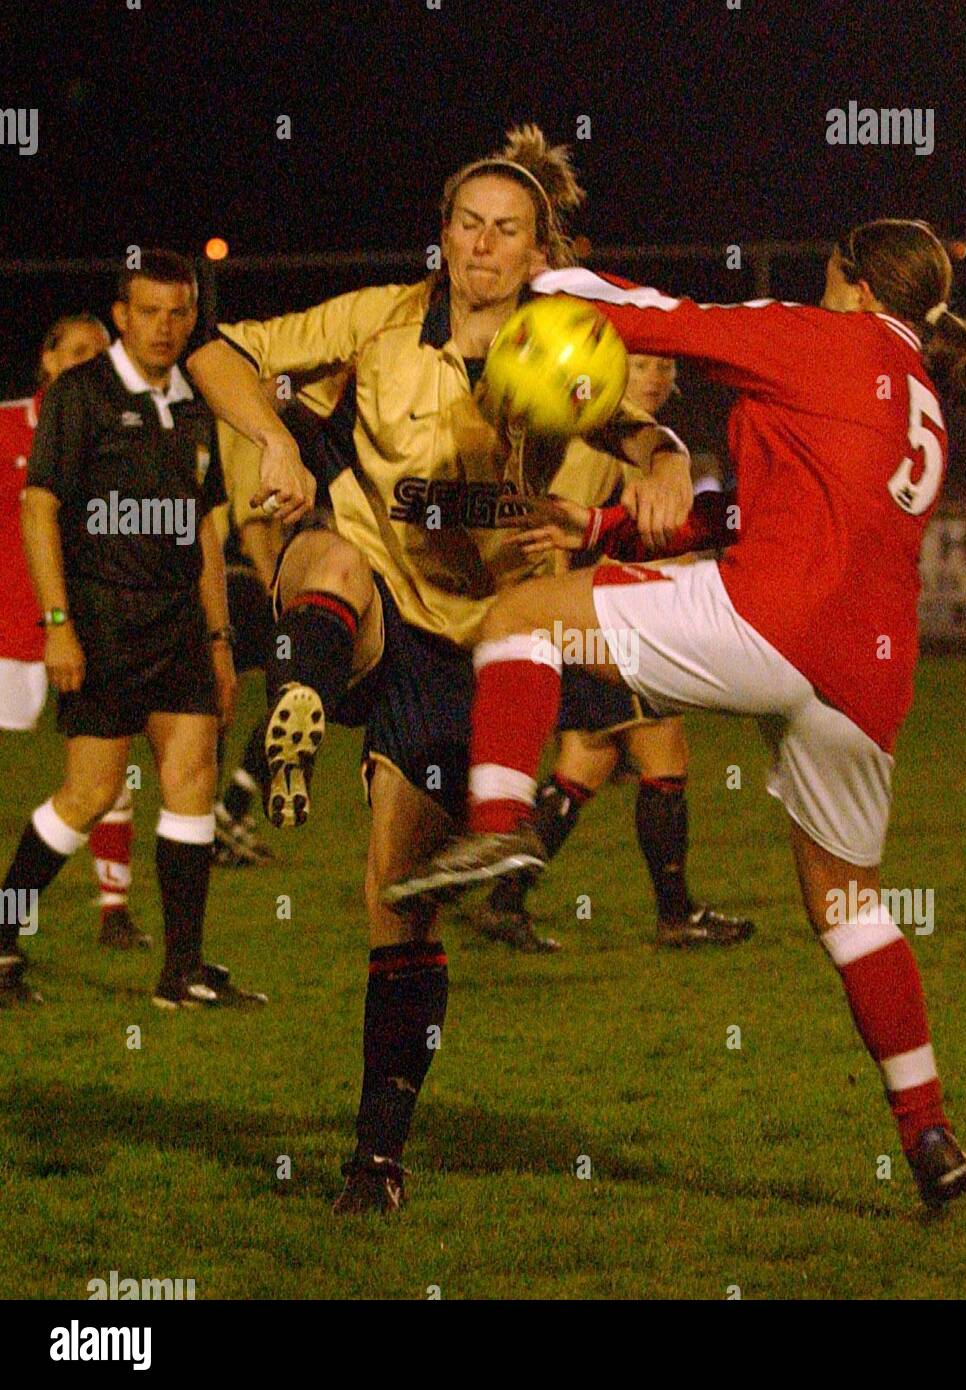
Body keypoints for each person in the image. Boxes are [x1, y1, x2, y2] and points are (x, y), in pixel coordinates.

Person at [385, 219, 966, 1209]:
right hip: (867, 679)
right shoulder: (918, 391)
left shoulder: (826, 336)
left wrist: (552, 278)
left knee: (521, 617)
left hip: (770, 623)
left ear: (851, 280)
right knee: (849, 905)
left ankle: (499, 828)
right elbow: (771, 513)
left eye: (826, 269)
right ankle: (927, 1131)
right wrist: (609, 525)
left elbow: (662, 320)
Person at [187, 125, 693, 1212]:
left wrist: (667, 466)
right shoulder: (380, 317)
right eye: (467, 222)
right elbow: (215, 348)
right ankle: (306, 699)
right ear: (445, 233)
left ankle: (377, 1151)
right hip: (380, 609)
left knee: (397, 904)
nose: (481, 243)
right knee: (328, 547)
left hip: (487, 649)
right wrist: (275, 441)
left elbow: (646, 434)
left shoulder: (563, 346)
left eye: (506, 230)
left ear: (537, 248)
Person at [0, 251, 266, 1010]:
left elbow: (204, 529)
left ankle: (182, 970)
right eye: (149, 312)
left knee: (191, 783)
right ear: (121, 314)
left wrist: (219, 639)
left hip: (179, 624)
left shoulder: (195, 402)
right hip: (103, 620)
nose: (164, 327)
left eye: (179, 313)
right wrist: (58, 625)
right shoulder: (81, 395)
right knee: (89, 793)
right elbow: (38, 509)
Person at [482, 353, 754, 950]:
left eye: (664, 366)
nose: (656, 377)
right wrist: (554, 624)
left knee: (585, 764)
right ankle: (675, 913)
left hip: (617, 628)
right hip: (609, 631)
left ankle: (502, 898)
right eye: (639, 366)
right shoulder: (595, 447)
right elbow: (552, 532)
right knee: (664, 762)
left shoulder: (652, 458)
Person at [0, 313, 149, 949]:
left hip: (84, 632)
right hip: (7, 633)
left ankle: (114, 908)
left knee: (106, 770)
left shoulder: (115, 434)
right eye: (78, 351)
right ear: (49, 358)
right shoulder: (8, 423)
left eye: (100, 353)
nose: (91, 363)